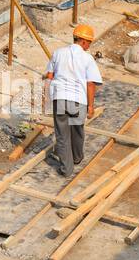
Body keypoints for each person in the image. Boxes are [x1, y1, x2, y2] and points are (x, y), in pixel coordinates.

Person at [43, 24, 102, 179]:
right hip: (78, 101)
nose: (89, 45)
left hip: (60, 99)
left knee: (62, 135)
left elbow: (49, 76)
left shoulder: (58, 53)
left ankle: (66, 169)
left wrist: (48, 99)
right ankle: (77, 157)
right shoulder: (87, 58)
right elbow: (91, 84)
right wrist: (90, 106)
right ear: (83, 41)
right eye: (89, 42)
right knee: (77, 130)